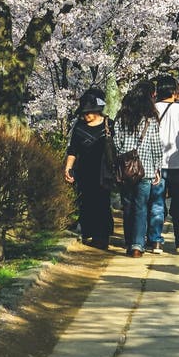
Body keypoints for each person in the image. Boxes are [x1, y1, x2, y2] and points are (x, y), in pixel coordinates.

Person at [113, 80, 162, 258]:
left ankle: (128, 241)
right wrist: (158, 168)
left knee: (127, 206)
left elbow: (116, 144)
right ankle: (137, 245)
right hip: (146, 170)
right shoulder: (150, 119)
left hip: (125, 170)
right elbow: (156, 146)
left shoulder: (121, 118)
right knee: (141, 207)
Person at [148, 74, 179, 254]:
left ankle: (156, 241)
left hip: (157, 163)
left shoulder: (152, 109)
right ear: (175, 92)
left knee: (157, 203)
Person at [64, 87, 115, 250]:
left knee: (102, 202)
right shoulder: (79, 127)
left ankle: (102, 236)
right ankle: (89, 231)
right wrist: (68, 167)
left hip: (104, 170)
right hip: (84, 170)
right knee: (86, 202)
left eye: (89, 112)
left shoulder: (109, 125)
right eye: (84, 113)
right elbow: (73, 149)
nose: (86, 116)